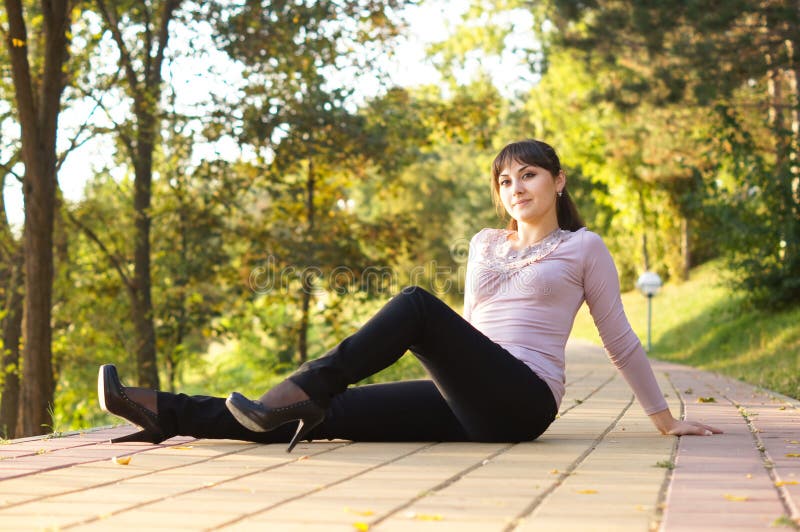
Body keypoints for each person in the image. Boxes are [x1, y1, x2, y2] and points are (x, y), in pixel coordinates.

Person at [98, 139, 721, 453]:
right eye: (505, 180)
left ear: (557, 181)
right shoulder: (485, 243)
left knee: (419, 306)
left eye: (528, 174)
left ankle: (302, 384)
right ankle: (164, 412)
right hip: (470, 396)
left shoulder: (584, 247)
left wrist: (664, 421)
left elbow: (619, 340)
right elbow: (473, 329)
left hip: (524, 401)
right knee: (319, 420)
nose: (516, 187)